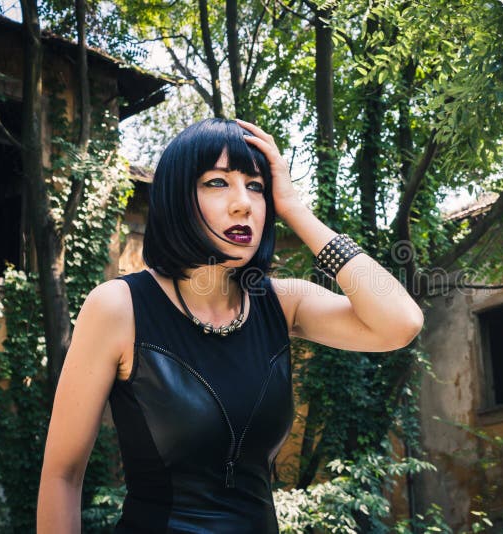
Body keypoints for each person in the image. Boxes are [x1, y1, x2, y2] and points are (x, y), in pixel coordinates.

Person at [36, 118, 424, 533]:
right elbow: (63, 476)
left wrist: (295, 209)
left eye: (256, 186)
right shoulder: (119, 307)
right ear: (177, 197)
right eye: (217, 182)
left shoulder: (281, 303)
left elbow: (400, 323)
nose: (243, 204)